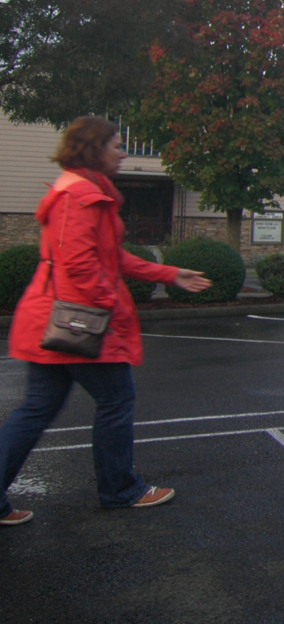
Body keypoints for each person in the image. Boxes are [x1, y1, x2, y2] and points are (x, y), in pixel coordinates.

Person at [0, 117, 212, 526]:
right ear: (94, 149)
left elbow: (109, 256)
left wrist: (169, 273)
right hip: (75, 323)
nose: (124, 151)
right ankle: (120, 489)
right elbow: (79, 266)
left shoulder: (78, 190)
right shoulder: (81, 195)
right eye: (117, 145)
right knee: (115, 400)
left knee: (37, 409)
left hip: (50, 320)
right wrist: (108, 308)